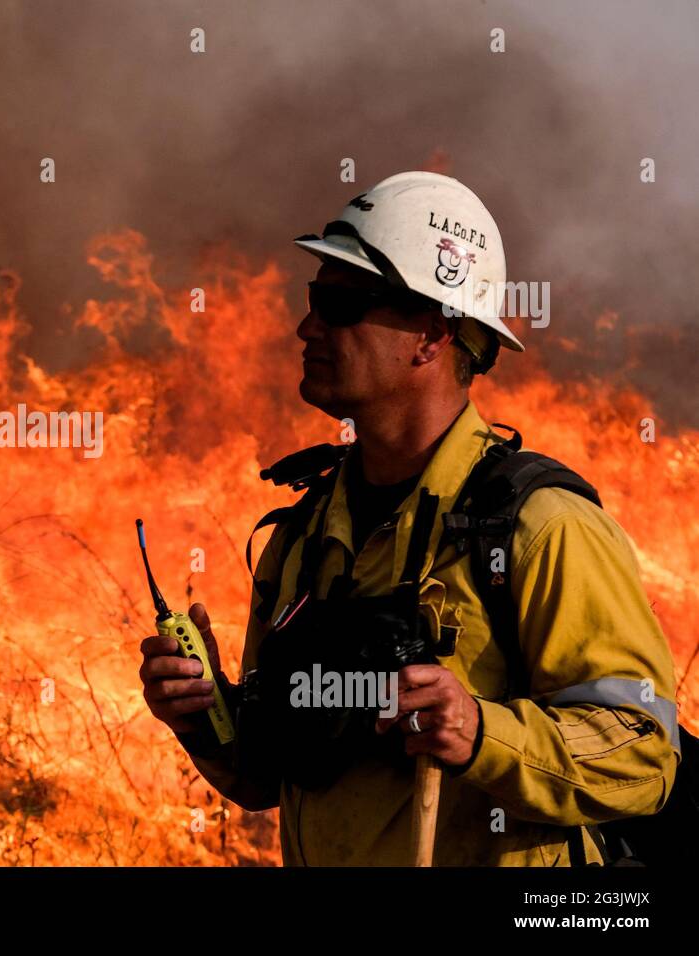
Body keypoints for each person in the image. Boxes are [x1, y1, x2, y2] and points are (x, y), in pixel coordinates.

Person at [138, 171, 680, 865]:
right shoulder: (303, 540)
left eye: (340, 303)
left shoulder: (540, 528)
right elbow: (271, 775)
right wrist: (206, 713)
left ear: (429, 333)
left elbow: (643, 752)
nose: (307, 326)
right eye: (313, 299)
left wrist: (482, 733)